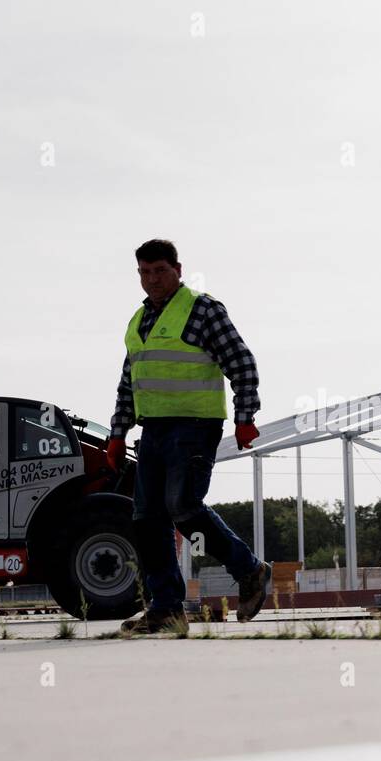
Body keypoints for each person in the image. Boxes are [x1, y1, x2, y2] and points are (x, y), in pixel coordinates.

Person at [108, 239, 271, 631]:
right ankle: (166, 608)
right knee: (148, 518)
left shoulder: (202, 309)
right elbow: (129, 382)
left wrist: (244, 415)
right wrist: (117, 432)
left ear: (178, 270)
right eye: (144, 273)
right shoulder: (138, 321)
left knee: (182, 505)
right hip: (154, 430)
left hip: (195, 426)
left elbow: (241, 361)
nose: (152, 280)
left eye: (160, 271)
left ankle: (248, 570)